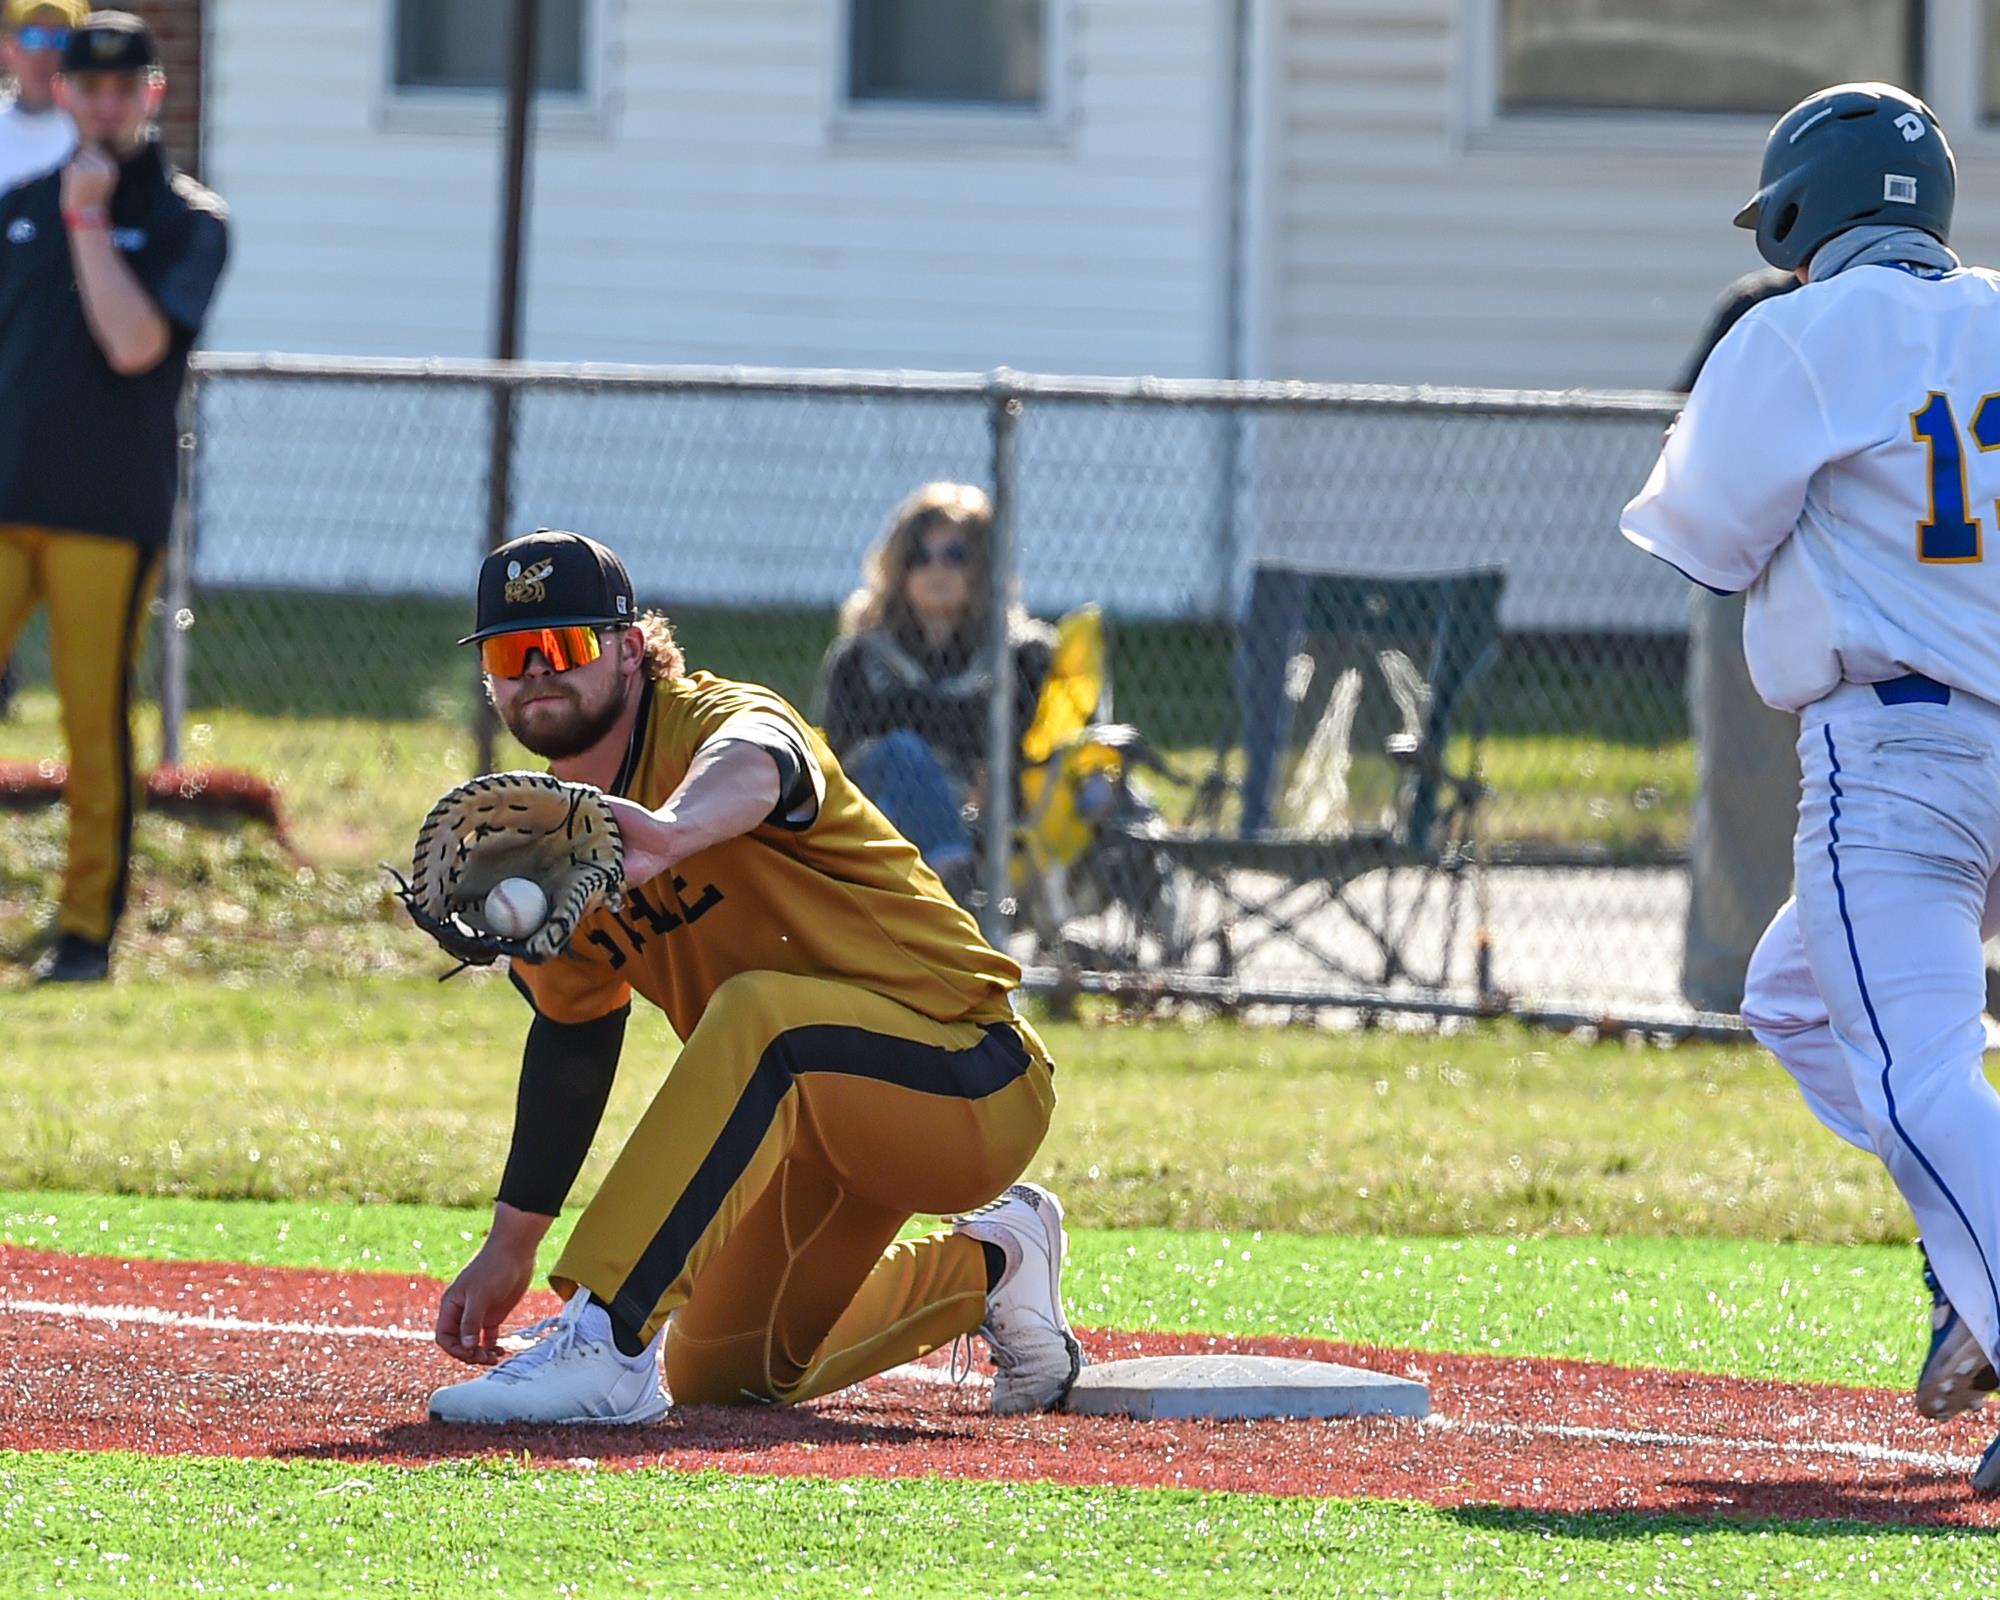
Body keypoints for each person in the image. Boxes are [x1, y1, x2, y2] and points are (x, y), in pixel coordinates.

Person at [424, 528, 1083, 1425]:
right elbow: (576, 1034)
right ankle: (996, 1265)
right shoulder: (558, 851)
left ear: (630, 650)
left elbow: (762, 757)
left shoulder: (711, 720)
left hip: (967, 1075)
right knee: (725, 1368)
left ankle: (606, 1343)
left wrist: (671, 831)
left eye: (564, 645)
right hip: (817, 1123)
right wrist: (512, 1242)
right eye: (511, 655)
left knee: (760, 1015)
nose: (537, 671)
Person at [1619, 82, 2000, 1493]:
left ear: (1797, 212)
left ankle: (1980, 1256)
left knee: (1916, 1077)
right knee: (1791, 995)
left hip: (1902, 753)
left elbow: (1708, 541)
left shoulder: (1801, 327)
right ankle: (1971, 1235)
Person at [0, 10, 227, 984]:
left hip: (105, 509)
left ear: (151, 93)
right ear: (62, 92)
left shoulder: (189, 222)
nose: (100, 104)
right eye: (85, 87)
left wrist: (90, 220)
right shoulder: (20, 205)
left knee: (90, 724)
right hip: (7, 496)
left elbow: (135, 345)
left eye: (119, 87)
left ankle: (85, 933)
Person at [817, 482, 1053, 905]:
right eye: (919, 557)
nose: (935, 570)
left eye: (955, 555)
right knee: (903, 753)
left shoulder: (1020, 654)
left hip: (985, 808)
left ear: (982, 566)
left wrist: (901, 708)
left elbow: (1013, 734)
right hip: (881, 815)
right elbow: (843, 747)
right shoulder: (859, 656)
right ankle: (959, 892)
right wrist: (956, 721)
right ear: (898, 568)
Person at [1674, 268, 1803, 1015]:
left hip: (1883, 584)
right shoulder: (1758, 309)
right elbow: (1685, 434)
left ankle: (1942, 974)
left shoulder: (1921, 306)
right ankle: (1730, 982)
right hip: (1751, 576)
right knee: (1746, 778)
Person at [0, 0, 85, 721]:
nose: (45, 50)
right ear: (7, 46)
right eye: (32, 34)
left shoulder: (92, 142)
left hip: (72, 382)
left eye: (61, 36)